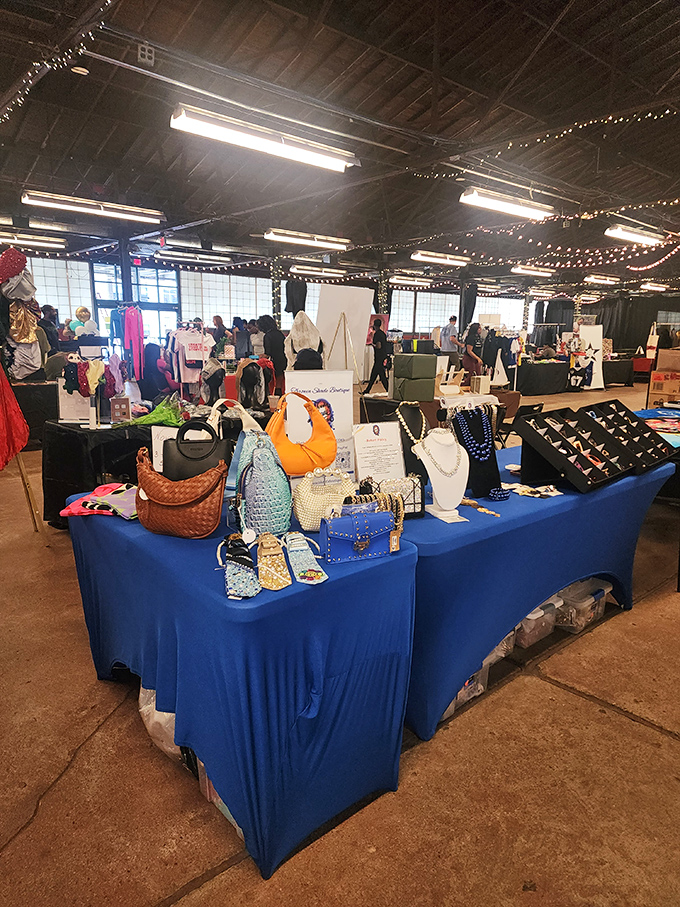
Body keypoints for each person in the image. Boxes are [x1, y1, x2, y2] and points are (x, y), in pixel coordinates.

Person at [258, 314, 286, 394]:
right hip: (283, 359)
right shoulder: (280, 333)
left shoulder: (267, 336)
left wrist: (261, 356)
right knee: (280, 382)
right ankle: (281, 397)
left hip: (274, 361)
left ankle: (273, 398)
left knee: (274, 382)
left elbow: (268, 353)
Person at [364, 317, 389, 394]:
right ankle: (367, 390)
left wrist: (372, 344)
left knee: (379, 375)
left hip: (378, 357)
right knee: (376, 375)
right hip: (382, 356)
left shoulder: (377, 334)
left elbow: (378, 346)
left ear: (374, 325)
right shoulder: (383, 334)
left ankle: (389, 390)